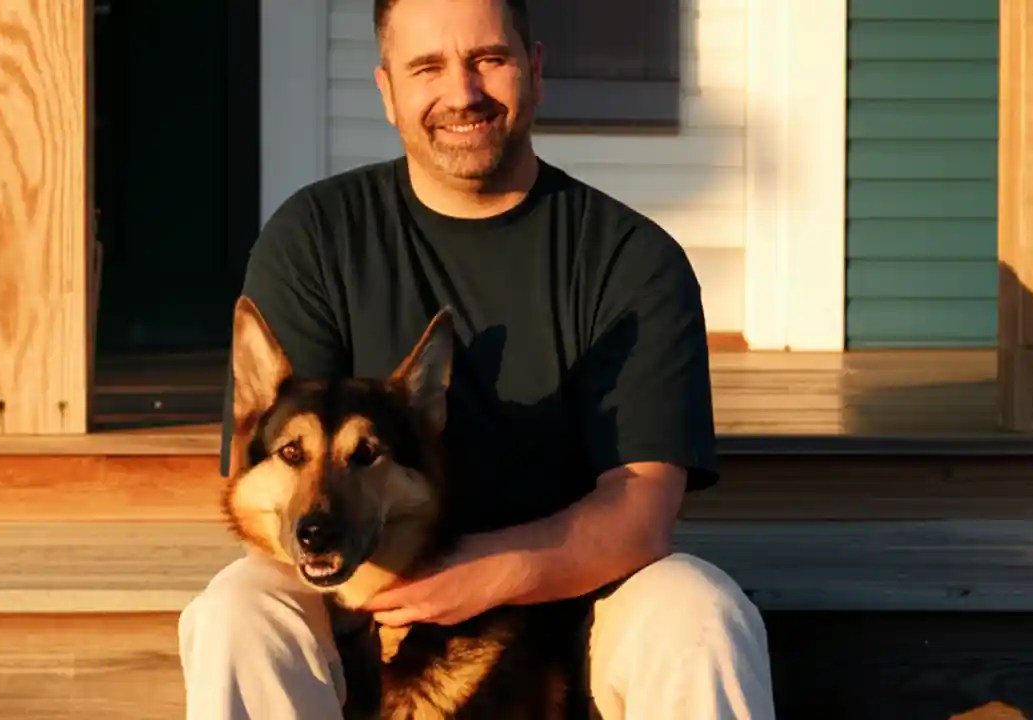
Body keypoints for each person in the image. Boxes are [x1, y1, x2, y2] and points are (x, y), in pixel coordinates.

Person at [177, 0, 775, 717]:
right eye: (427, 66)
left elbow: (642, 512)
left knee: (700, 609)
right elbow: (277, 470)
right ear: (387, 90)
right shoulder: (317, 238)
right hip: (366, 607)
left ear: (536, 69)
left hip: (580, 605)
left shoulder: (629, 260)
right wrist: (402, 592)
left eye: (488, 59)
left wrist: (483, 573)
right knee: (237, 610)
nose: (462, 94)